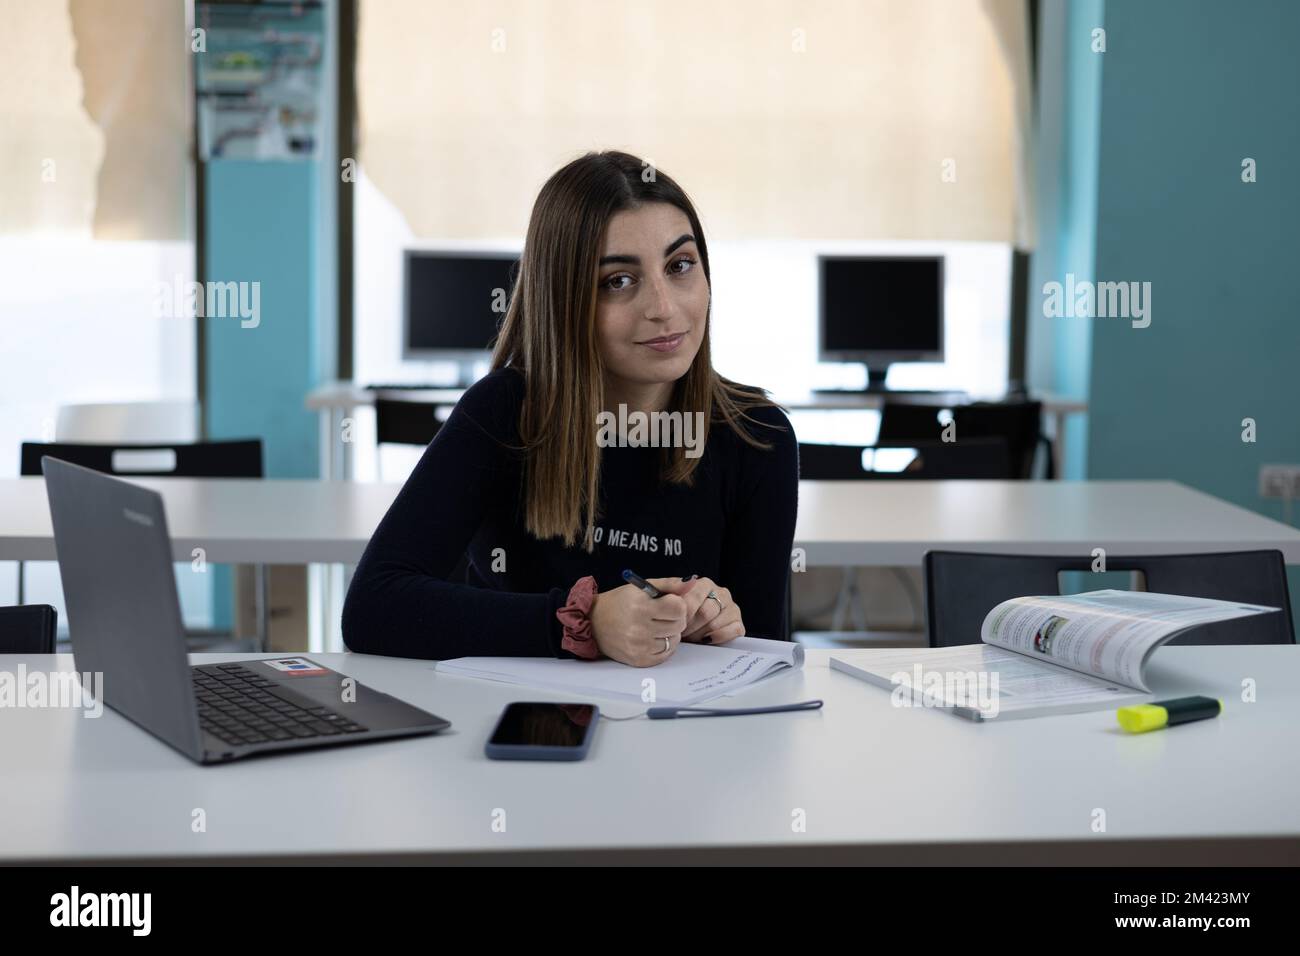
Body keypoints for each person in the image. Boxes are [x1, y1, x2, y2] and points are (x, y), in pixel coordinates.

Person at [342, 150, 798, 666]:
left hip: (677, 734)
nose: (665, 308)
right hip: (514, 727)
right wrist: (583, 623)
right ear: (562, 300)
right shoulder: (504, 413)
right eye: (618, 281)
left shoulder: (757, 435)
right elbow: (373, 608)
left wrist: (719, 625)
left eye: (680, 266)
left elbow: (768, 661)